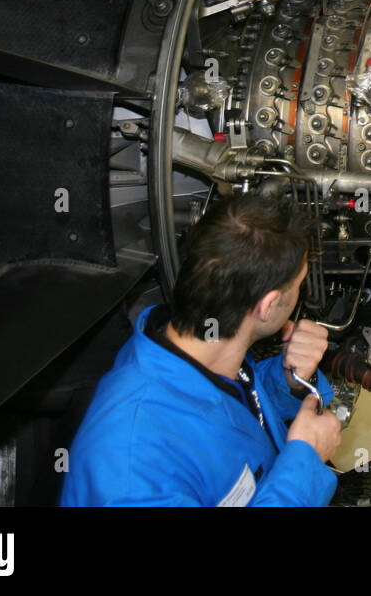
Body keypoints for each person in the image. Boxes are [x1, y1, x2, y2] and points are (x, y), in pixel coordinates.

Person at [60, 190, 342, 506]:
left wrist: (287, 382)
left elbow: (231, 406)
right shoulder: (131, 469)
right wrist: (305, 467)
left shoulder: (198, 351)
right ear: (269, 304)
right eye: (299, 284)